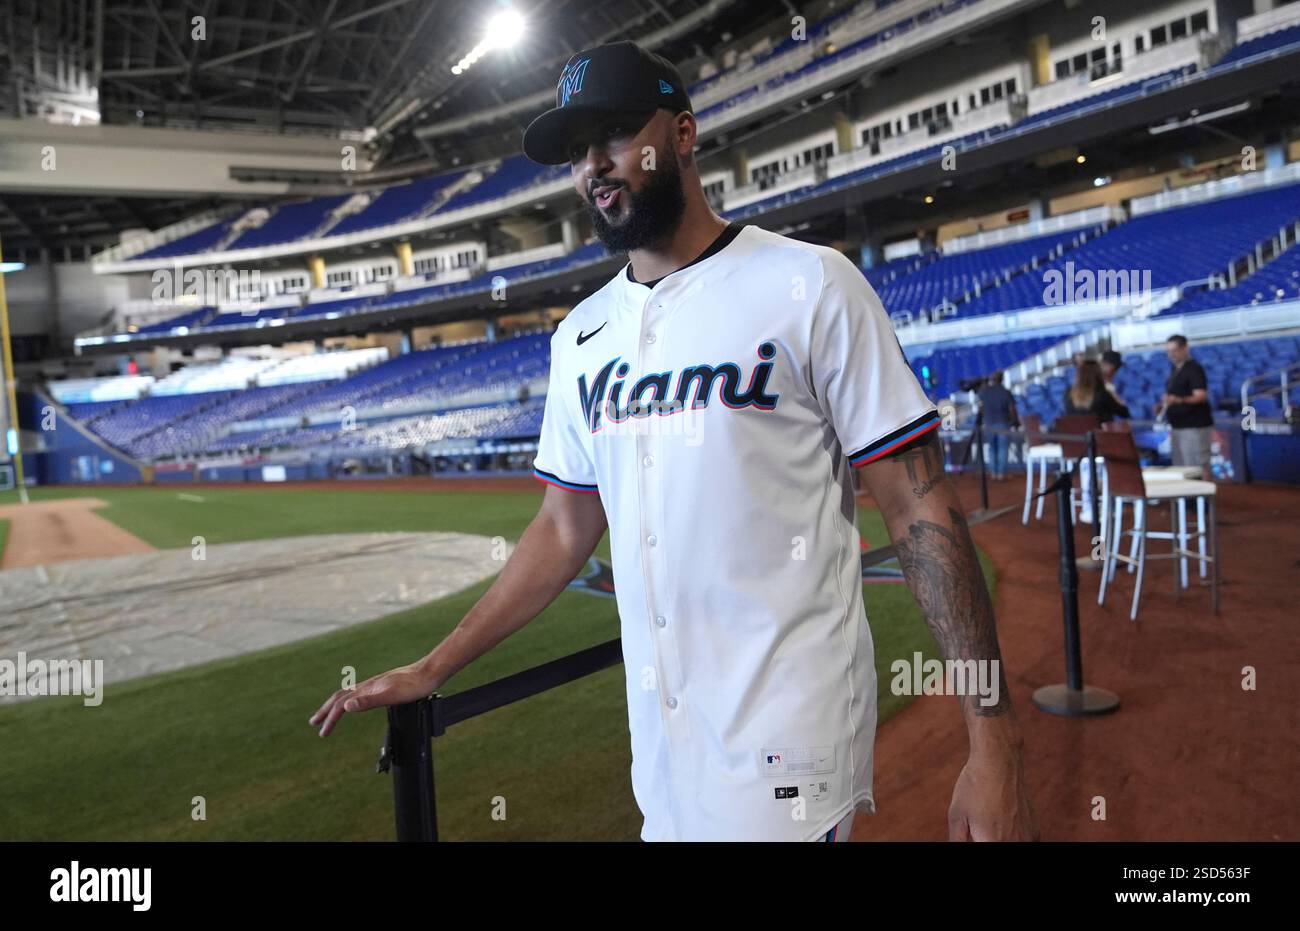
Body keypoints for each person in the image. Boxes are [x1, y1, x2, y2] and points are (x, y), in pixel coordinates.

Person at [311, 40, 1037, 844]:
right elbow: (562, 527)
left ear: (683, 134)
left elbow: (917, 506)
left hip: (790, 739)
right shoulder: (580, 337)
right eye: (577, 153)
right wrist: (434, 665)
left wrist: (993, 738)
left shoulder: (810, 283)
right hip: (662, 755)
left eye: (616, 135)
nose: (595, 166)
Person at [1160, 334, 1214, 480]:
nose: (1171, 354)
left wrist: (1178, 400)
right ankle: (1189, 501)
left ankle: (1204, 499)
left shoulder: (1194, 369)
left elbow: (1201, 395)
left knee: (1198, 465)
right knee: (1182, 466)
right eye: (1169, 351)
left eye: (1175, 350)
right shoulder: (1175, 370)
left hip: (1194, 425)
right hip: (1179, 425)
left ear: (1185, 348)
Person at [976, 371, 1019, 481]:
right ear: (1002, 379)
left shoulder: (984, 391)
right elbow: (1012, 409)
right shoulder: (1005, 392)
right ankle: (1001, 474)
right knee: (1002, 448)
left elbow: (981, 406)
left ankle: (994, 473)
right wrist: (1015, 421)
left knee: (992, 448)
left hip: (989, 423)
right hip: (1003, 423)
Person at [1063, 359, 1130, 424]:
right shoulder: (1102, 395)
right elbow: (1125, 413)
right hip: (1101, 434)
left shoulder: (1068, 393)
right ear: (1098, 375)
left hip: (1077, 435)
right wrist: (1114, 393)